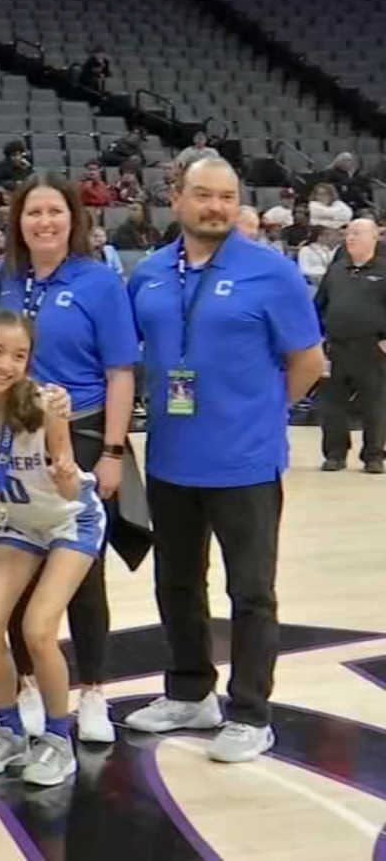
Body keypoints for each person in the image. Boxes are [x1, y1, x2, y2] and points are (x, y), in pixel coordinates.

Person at [124, 157, 325, 762]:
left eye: (227, 197)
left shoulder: (273, 272)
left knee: (251, 592)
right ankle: (190, 694)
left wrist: (261, 412)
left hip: (245, 463)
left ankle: (250, 713)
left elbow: (308, 362)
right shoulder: (150, 273)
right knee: (177, 583)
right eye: (204, 195)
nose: (216, 207)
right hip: (170, 460)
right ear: (178, 199)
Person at [0, 172, 138, 743]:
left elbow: (120, 372)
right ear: (18, 222)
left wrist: (113, 451)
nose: (44, 222)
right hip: (17, 439)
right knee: (20, 560)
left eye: (54, 211)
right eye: (33, 212)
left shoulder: (99, 282)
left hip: (83, 434)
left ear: (74, 218)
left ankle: (94, 691)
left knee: (84, 570)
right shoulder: (6, 280)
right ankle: (28, 683)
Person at [0, 310, 100, 786]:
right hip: (19, 522)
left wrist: (64, 476)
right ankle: (11, 732)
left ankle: (59, 741)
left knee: (38, 629)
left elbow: (70, 489)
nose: (5, 364)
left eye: (18, 356)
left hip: (69, 519)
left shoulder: (45, 406)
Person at [315, 218, 386, 473]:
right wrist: (318, 339)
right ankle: (335, 454)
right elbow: (319, 305)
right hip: (336, 346)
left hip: (372, 347)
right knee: (332, 405)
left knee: (375, 405)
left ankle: (373, 456)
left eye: (358, 233)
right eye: (349, 233)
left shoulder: (384, 270)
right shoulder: (335, 270)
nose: (351, 238)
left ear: (374, 238)